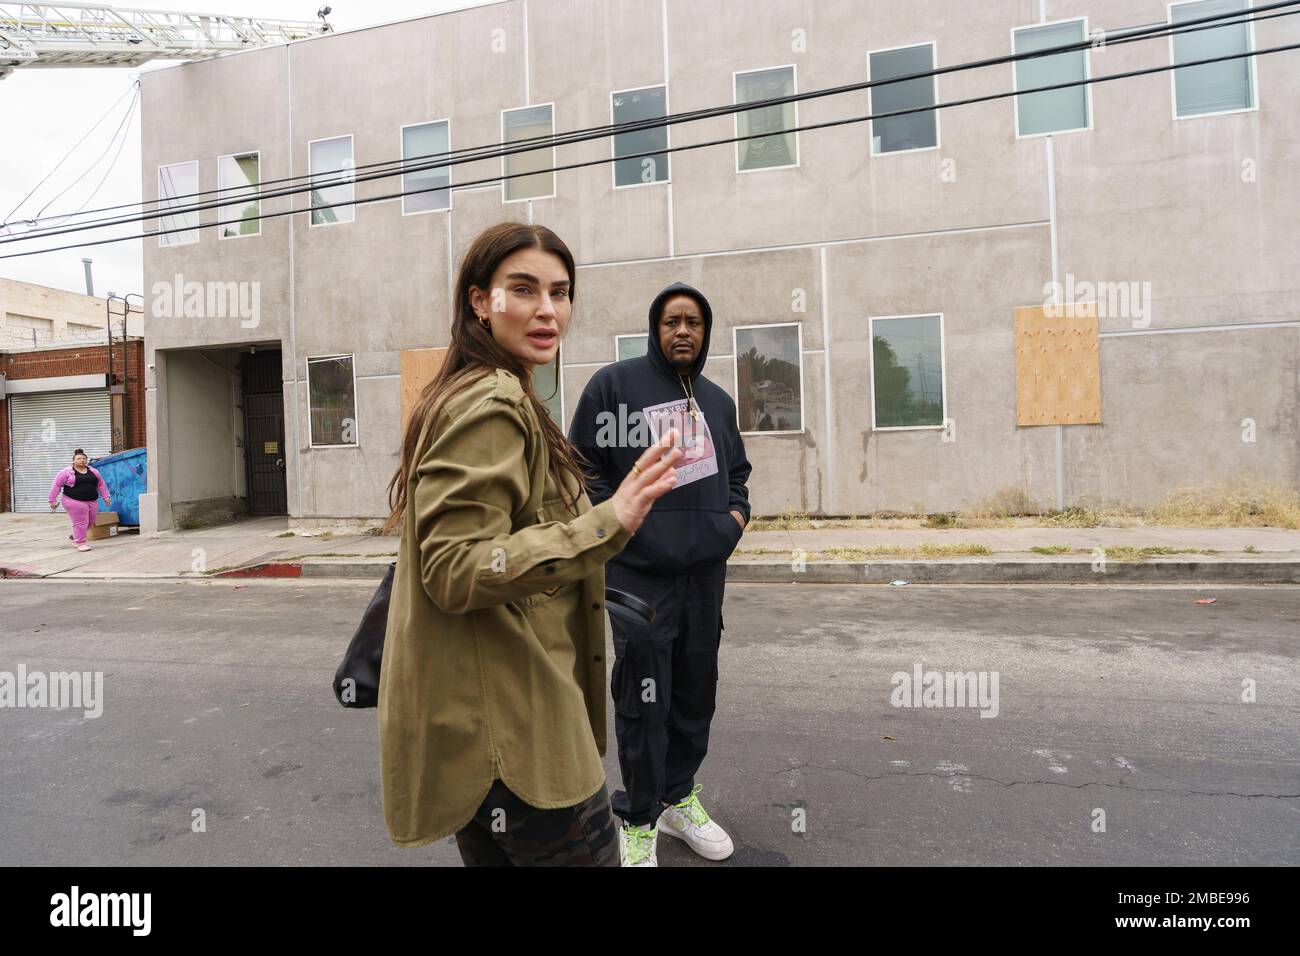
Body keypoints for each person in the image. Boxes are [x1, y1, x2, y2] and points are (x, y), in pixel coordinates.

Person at [378, 222, 684, 867]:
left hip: (491, 735)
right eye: (523, 289)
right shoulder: (491, 402)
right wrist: (611, 519)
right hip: (518, 743)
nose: (548, 310)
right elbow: (455, 568)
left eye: (560, 292)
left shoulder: (482, 390)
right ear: (478, 301)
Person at [569, 282, 752, 867]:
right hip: (637, 580)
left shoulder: (719, 402)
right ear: (655, 328)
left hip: (703, 578)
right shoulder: (615, 388)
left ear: (705, 332)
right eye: (672, 321)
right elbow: (582, 469)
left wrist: (734, 520)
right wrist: (623, 527)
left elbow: (740, 473)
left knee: (696, 692)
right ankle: (640, 816)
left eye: (693, 323)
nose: (682, 331)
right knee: (643, 699)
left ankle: (679, 797)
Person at [48, 449, 111, 552]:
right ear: (73, 460)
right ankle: (80, 543)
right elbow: (56, 486)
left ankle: (74, 537)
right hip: (73, 500)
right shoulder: (66, 472)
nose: (81, 460)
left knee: (90, 522)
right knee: (81, 522)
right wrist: (52, 500)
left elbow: (101, 484)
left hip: (91, 500)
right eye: (78, 458)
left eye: (84, 458)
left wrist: (106, 496)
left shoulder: (93, 471)